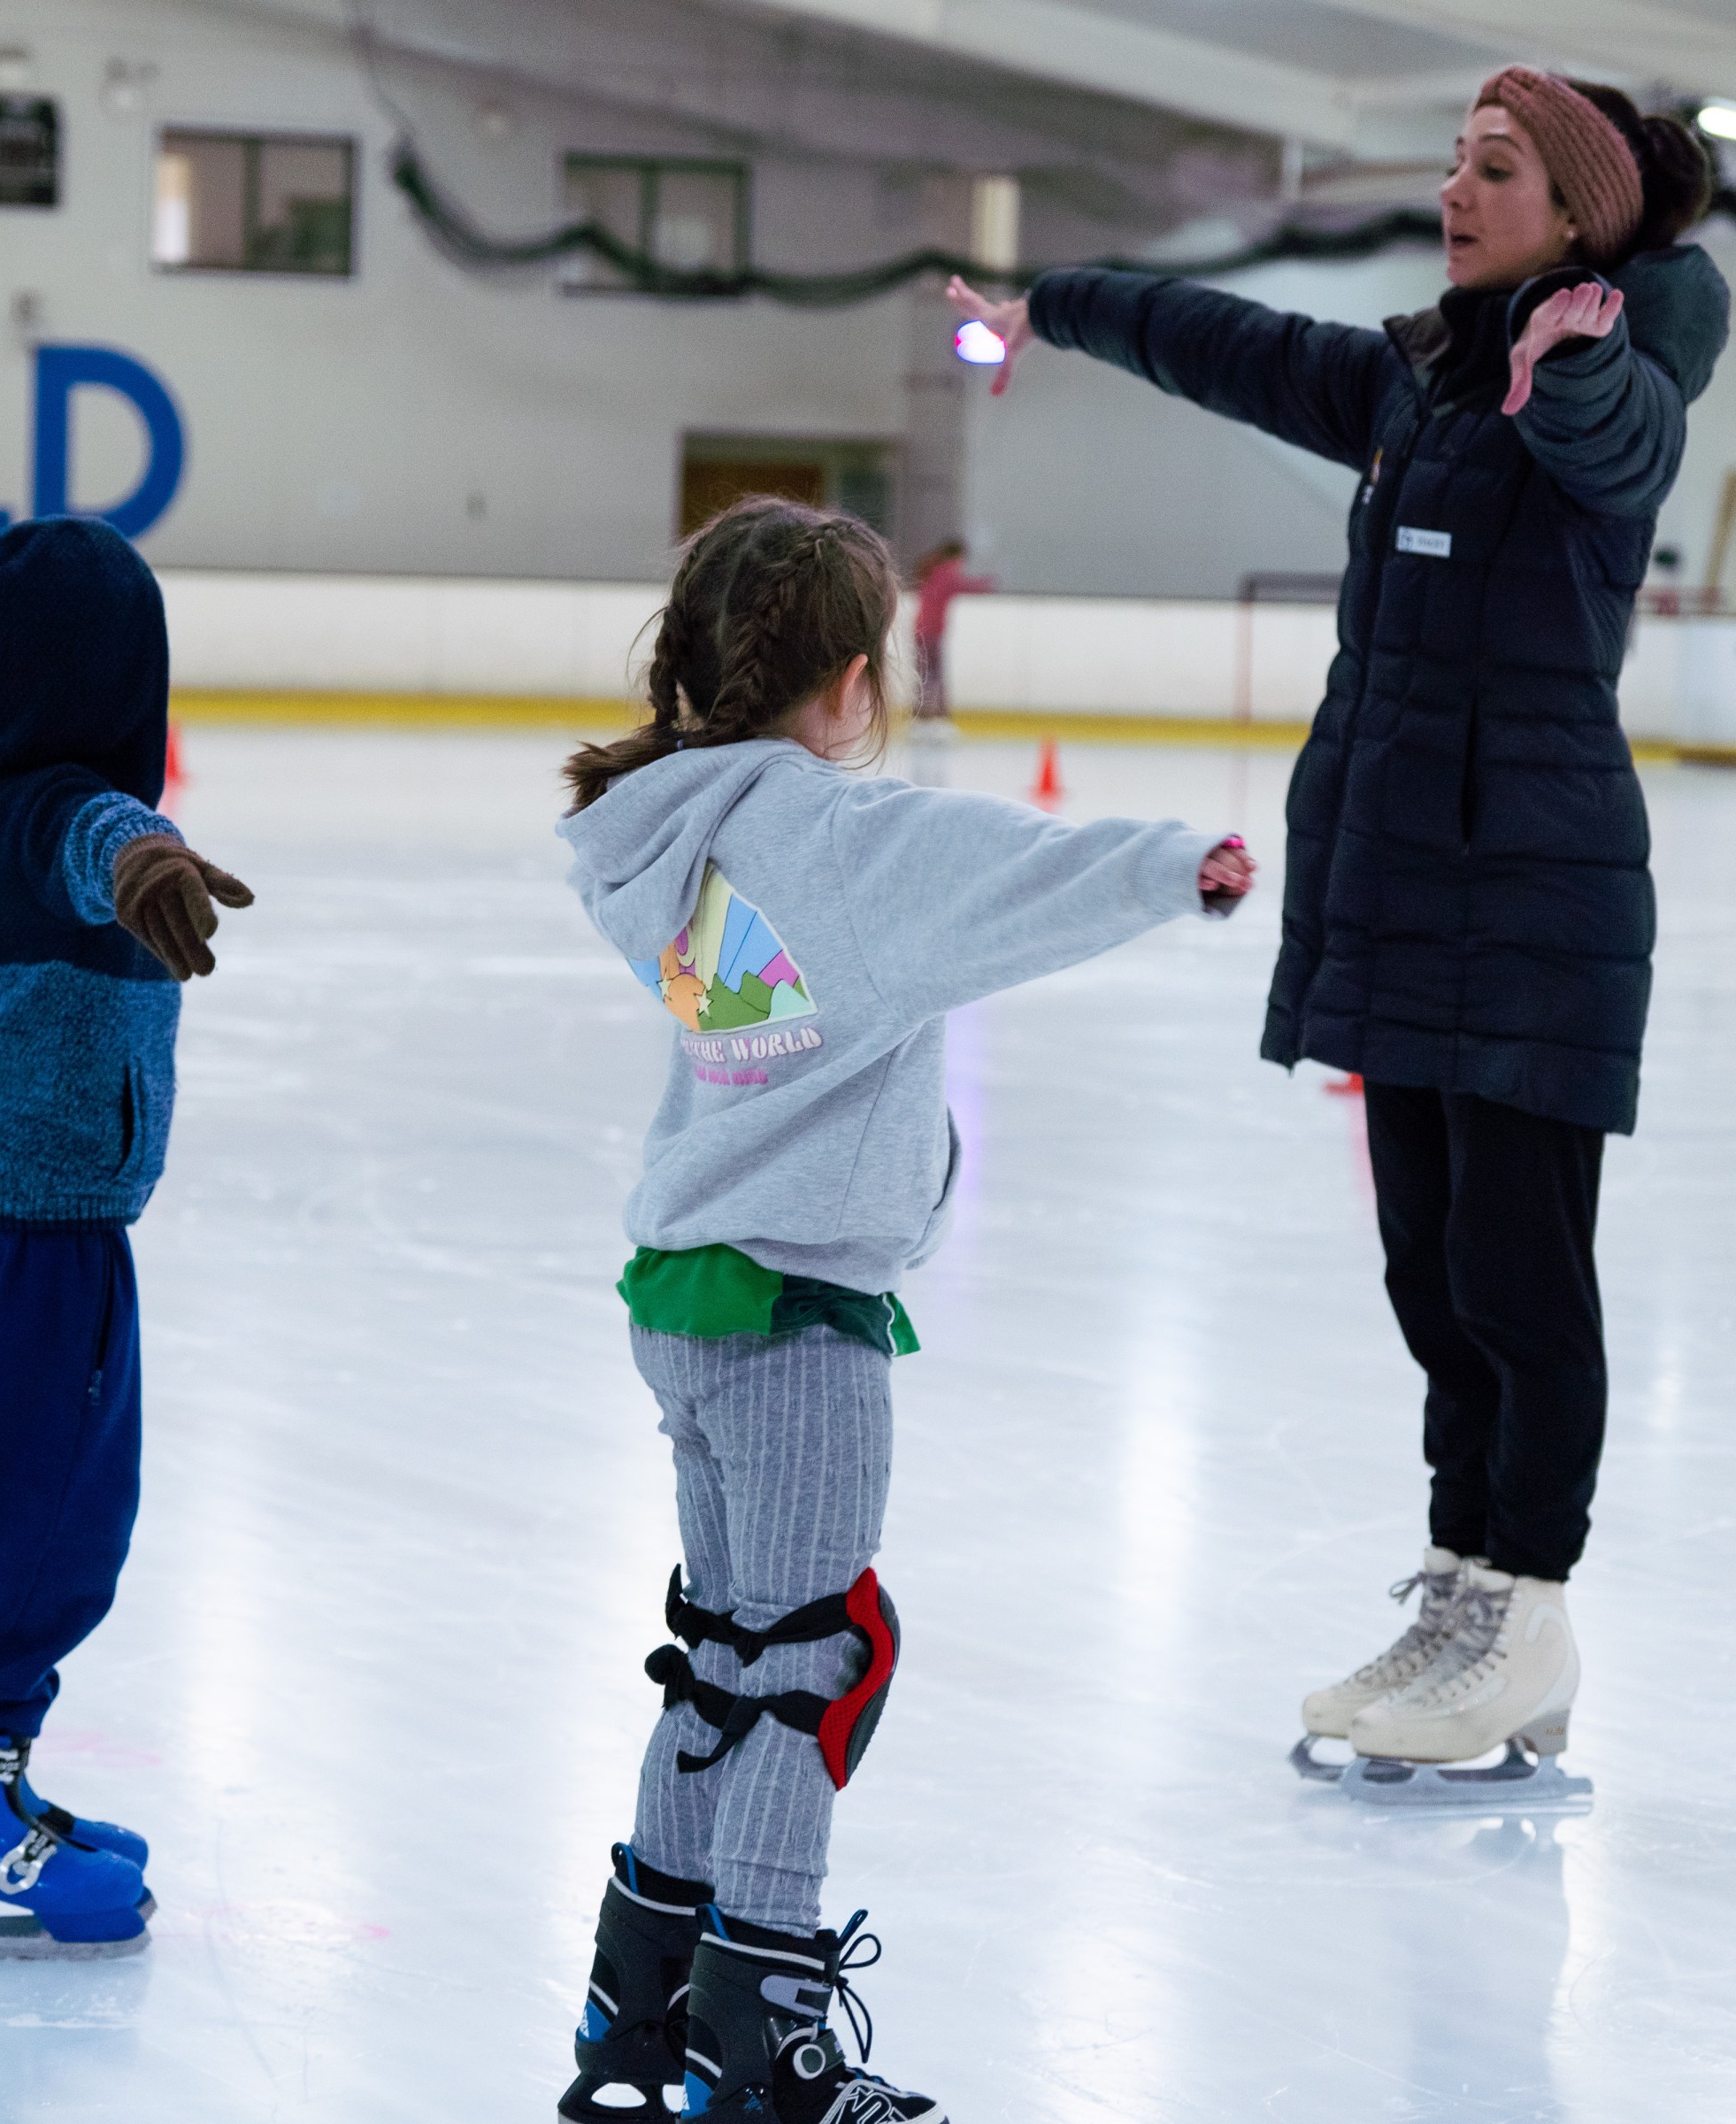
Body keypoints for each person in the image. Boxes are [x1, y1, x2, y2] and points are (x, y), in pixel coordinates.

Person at [949, 72, 1724, 1776]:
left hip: (1537, 900)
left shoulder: (1616, 375)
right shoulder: (1414, 384)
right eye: (1453, 158)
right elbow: (1224, 342)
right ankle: (1468, 1589)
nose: (1455, 186)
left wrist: (1582, 334)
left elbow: (1623, 433)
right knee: (1431, 1274)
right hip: (1402, 883)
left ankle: (1529, 1602)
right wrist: (1056, 308)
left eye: (1496, 168)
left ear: (1580, 214)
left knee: (1524, 1281)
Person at [553, 497, 1254, 2122]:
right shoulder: (825, 837)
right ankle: (766, 2035)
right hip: (796, 1304)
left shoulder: (674, 826)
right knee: (811, 1658)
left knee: (730, 1653)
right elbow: (1000, 871)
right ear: (855, 684)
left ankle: (641, 1996)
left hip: (691, 1286)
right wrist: (1168, 867)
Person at [0, 517, 254, 1953]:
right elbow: (89, 836)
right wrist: (146, 858)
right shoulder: (56, 808)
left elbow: (38, 821)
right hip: (43, 1234)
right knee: (49, 1525)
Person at [909, 539, 993, 720]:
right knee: (933, 672)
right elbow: (963, 586)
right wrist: (987, 583)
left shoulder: (932, 570)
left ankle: (930, 710)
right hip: (930, 631)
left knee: (927, 671)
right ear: (957, 557)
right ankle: (931, 712)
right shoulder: (946, 572)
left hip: (922, 629)